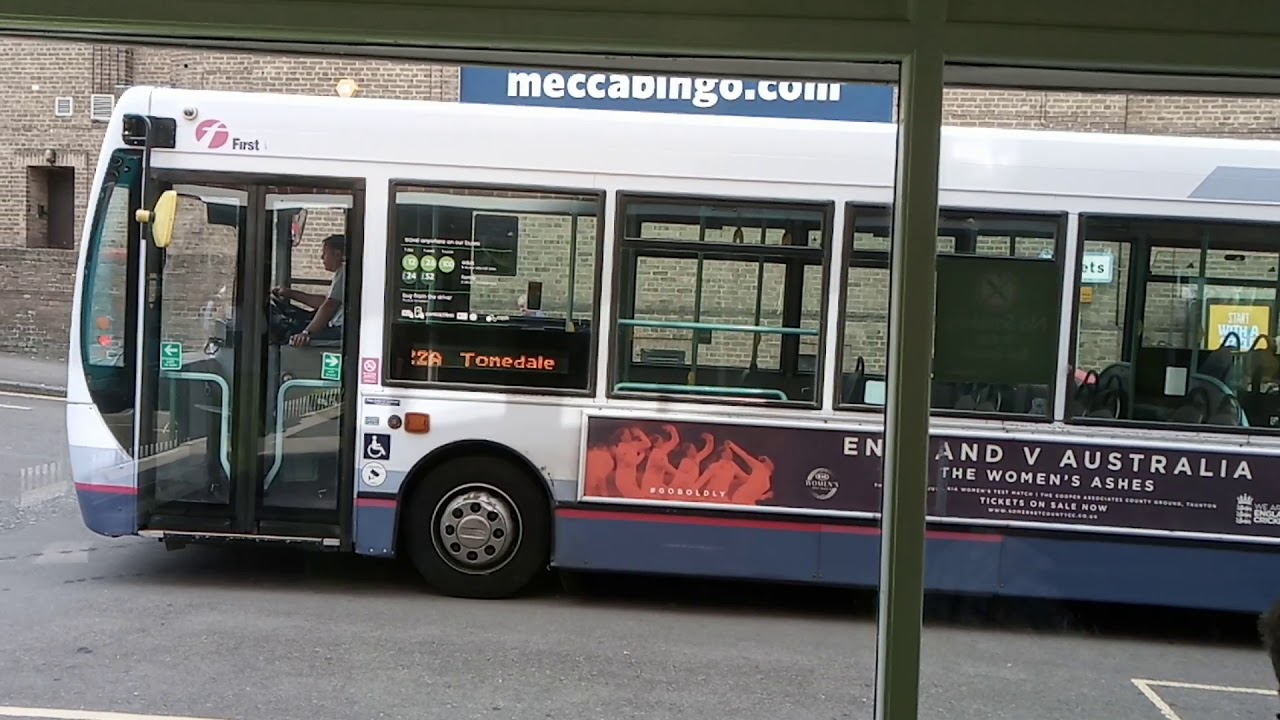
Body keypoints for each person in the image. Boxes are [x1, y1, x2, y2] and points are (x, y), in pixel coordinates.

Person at [272, 234, 346, 347]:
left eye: (325, 253)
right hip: (339, 327)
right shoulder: (345, 272)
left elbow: (329, 306)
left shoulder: (344, 271)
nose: (322, 257)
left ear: (337, 254)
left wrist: (306, 333)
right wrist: (289, 293)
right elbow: (324, 302)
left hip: (340, 331)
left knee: (292, 340)